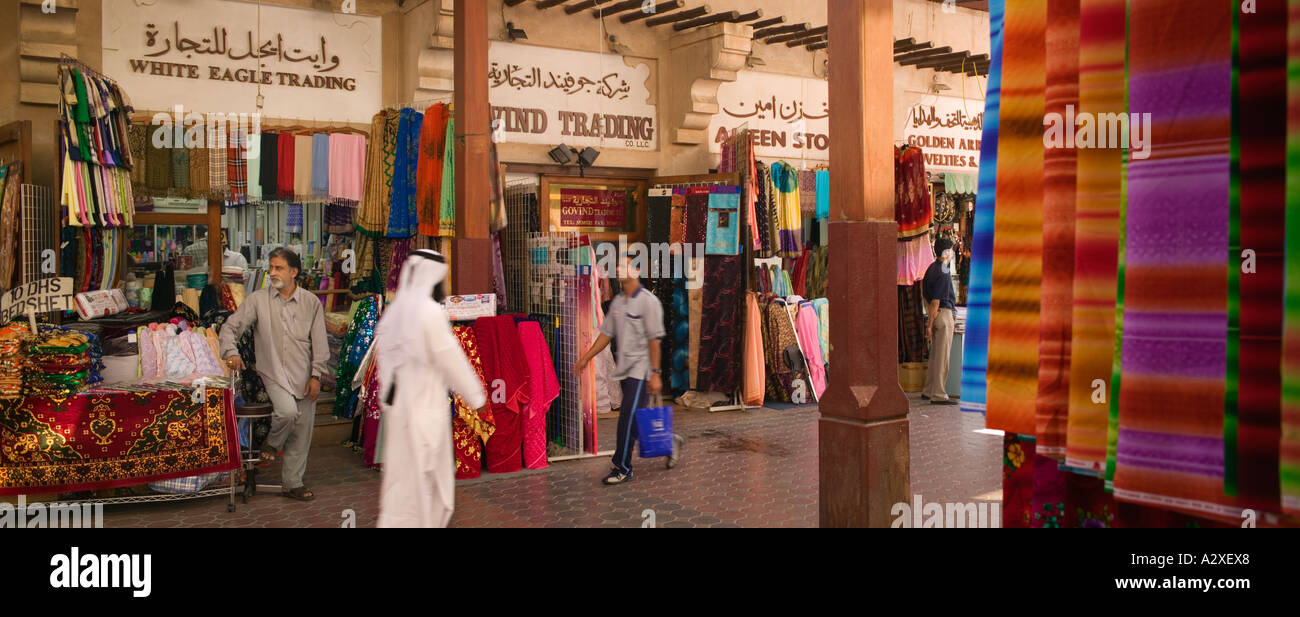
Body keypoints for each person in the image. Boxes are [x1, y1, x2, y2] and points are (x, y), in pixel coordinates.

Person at [373, 249, 490, 527]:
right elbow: (450, 358)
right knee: (429, 481)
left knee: (400, 481)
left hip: (398, 409)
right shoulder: (429, 312)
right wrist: (476, 396)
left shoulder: (395, 311)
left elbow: (384, 360)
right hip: (424, 409)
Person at [219, 247, 329, 501]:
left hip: (304, 375)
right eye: (271, 267)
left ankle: (292, 484)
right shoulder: (258, 299)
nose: (272, 272)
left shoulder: (311, 303)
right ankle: (272, 445)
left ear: (294, 272)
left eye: (279, 268)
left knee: (302, 433)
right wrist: (230, 351)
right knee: (287, 412)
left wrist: (317, 375)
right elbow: (231, 327)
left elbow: (320, 344)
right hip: (273, 373)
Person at [575, 254, 666, 485]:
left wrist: (655, 373)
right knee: (635, 418)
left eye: (624, 265)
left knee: (626, 417)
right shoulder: (618, 302)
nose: (618, 269)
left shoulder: (648, 302)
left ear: (635, 271)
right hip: (624, 371)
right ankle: (671, 442)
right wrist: (586, 358)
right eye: (617, 265)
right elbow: (606, 335)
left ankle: (622, 466)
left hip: (641, 370)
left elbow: (654, 340)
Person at [922, 237, 958, 406]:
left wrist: (930, 320)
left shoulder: (931, 269)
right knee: (942, 357)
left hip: (935, 315)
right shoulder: (943, 271)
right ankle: (939, 394)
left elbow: (926, 298)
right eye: (951, 250)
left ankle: (928, 390)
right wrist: (930, 323)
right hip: (943, 315)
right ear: (946, 252)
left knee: (935, 356)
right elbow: (936, 301)